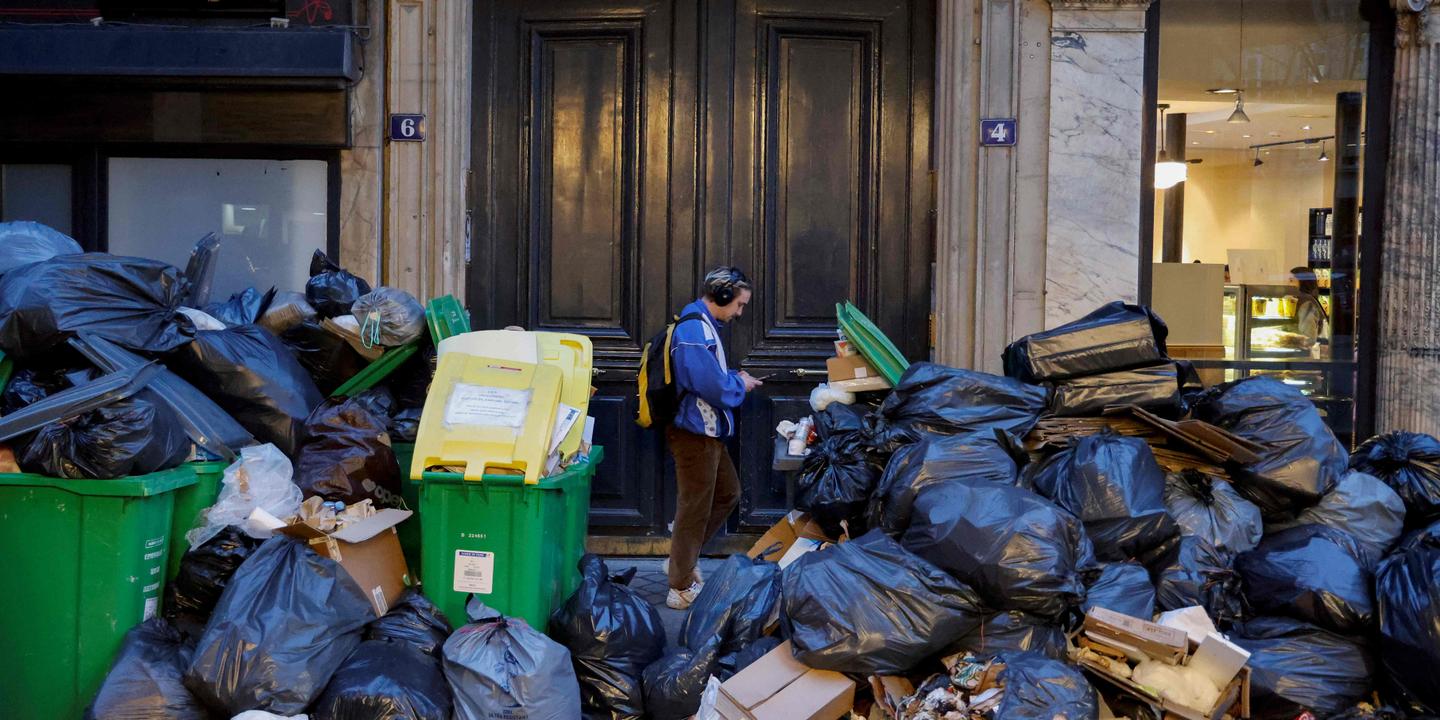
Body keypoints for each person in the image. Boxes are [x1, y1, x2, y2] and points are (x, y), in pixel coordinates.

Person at [663, 266, 763, 609]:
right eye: (739, 304)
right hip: (695, 433)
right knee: (694, 509)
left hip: (706, 432)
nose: (739, 312)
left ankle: (682, 557)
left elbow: (707, 377)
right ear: (721, 297)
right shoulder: (694, 329)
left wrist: (733, 376)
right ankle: (680, 587)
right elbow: (711, 387)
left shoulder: (702, 326)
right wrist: (741, 384)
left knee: (727, 493)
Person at [1290, 266, 1329, 355]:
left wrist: (1287, 339)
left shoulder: (1307, 304)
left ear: (1303, 283)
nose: (1288, 283)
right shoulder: (1306, 301)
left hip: (1308, 358)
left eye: (1291, 280)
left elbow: (1308, 338)